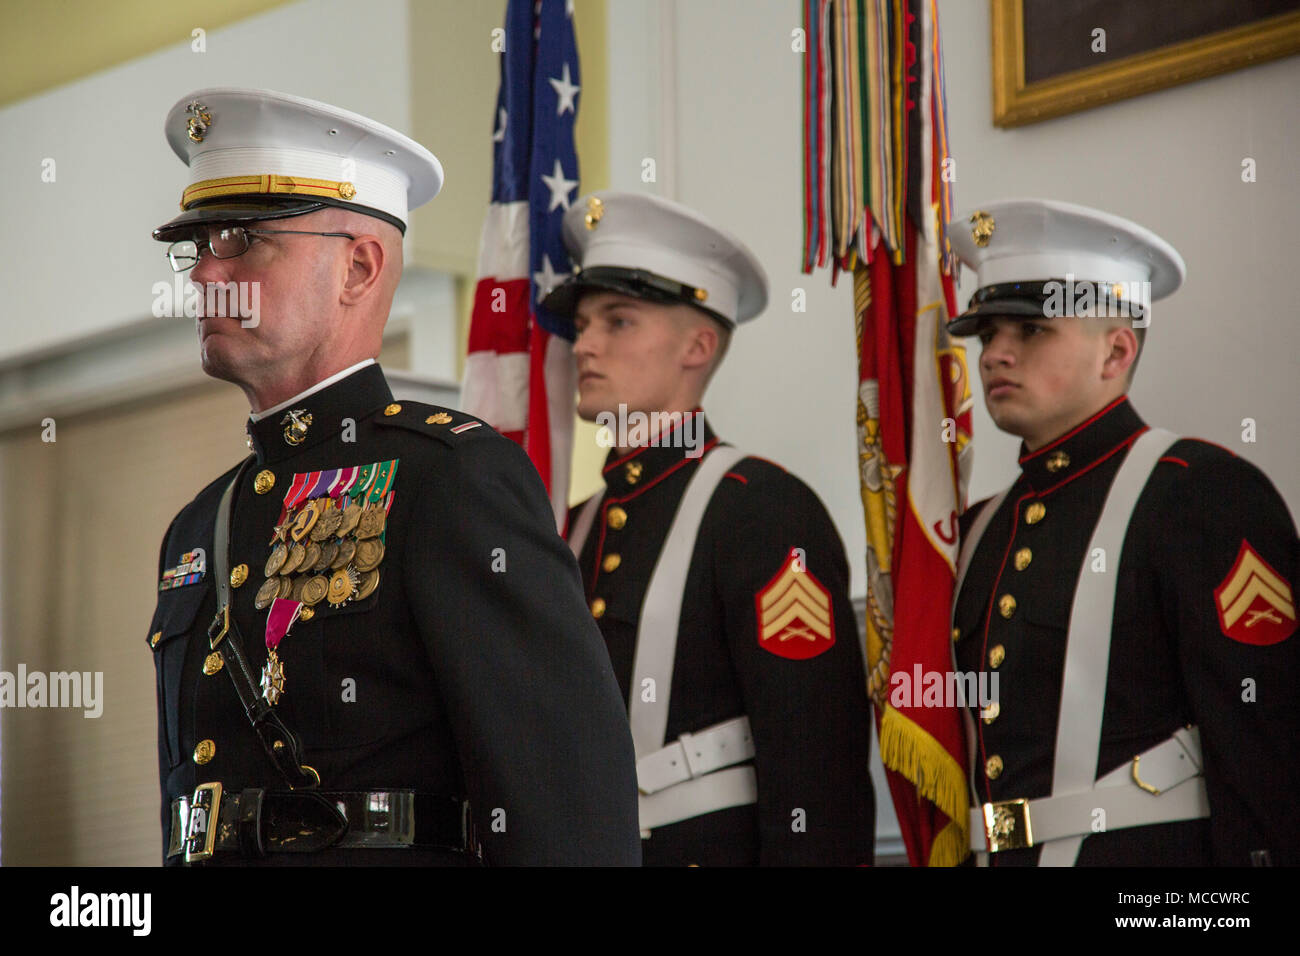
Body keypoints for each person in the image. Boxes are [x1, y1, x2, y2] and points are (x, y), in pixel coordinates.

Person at [146, 87, 640, 866]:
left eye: (240, 238)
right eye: (197, 245)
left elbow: (569, 811)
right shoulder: (199, 525)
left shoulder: (449, 480)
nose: (207, 274)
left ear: (359, 266)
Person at [947, 198, 1299, 866]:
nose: (994, 353)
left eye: (1030, 332)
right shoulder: (982, 528)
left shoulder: (1200, 494)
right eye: (987, 333)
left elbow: (1267, 754)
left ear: (1116, 351)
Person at [541, 192, 875, 865]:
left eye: (619, 321)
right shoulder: (577, 523)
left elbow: (815, 759)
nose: (587, 345)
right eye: (583, 324)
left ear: (698, 345)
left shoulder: (761, 508)